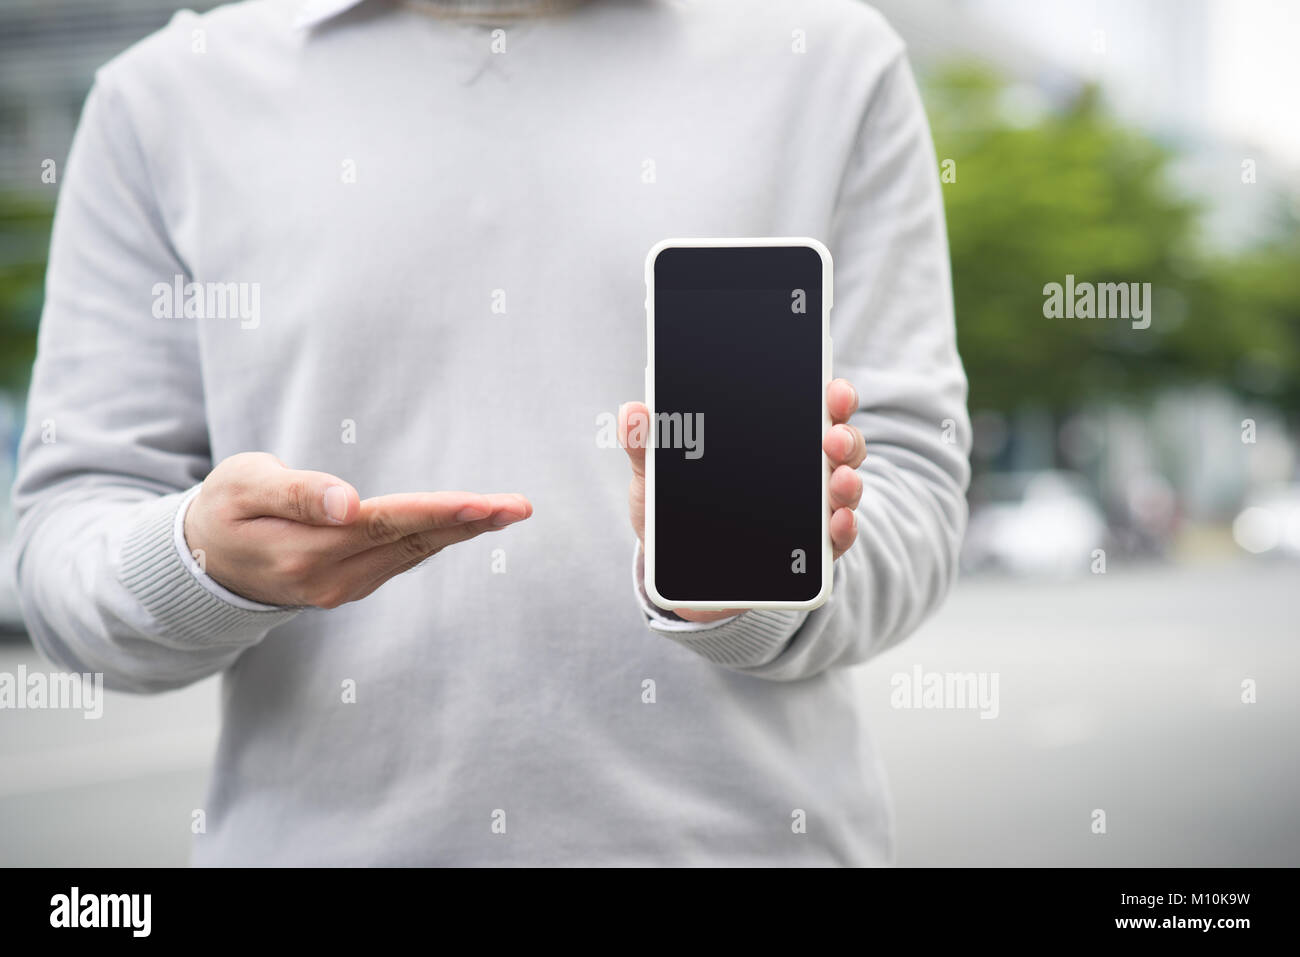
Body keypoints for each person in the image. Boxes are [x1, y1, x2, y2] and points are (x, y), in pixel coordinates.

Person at [12, 0, 970, 866]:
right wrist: (200, 565)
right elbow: (65, 539)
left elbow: (911, 487)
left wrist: (745, 588)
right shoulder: (165, 98)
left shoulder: (828, 58)